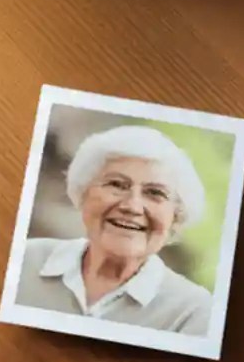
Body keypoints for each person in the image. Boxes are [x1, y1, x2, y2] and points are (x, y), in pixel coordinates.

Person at [16, 125, 213, 335]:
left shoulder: (193, 312)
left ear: (176, 219)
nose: (132, 206)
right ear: (83, 194)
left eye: (155, 193)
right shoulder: (24, 260)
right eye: (117, 185)